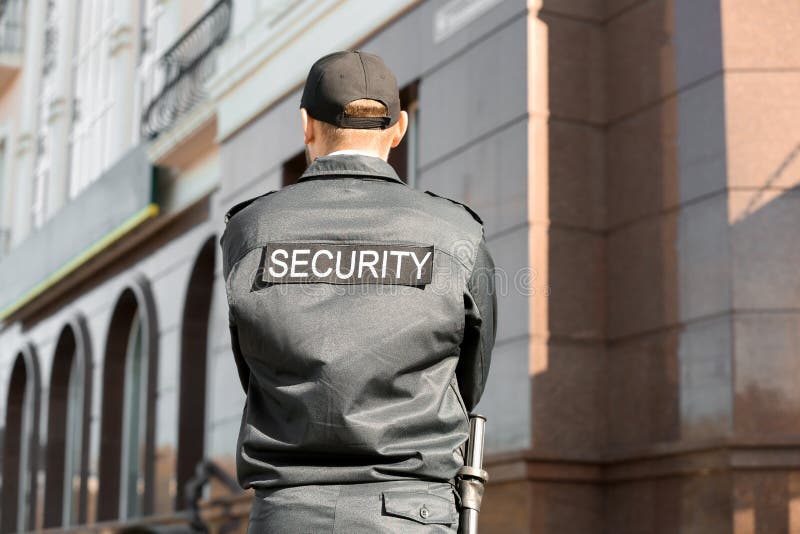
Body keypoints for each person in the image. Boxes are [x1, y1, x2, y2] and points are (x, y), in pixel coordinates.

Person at [219, 50, 497, 533]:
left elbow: (255, 370)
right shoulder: (457, 233)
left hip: (286, 515)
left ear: (306, 125)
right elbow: (468, 378)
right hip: (413, 514)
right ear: (400, 127)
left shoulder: (250, 231)